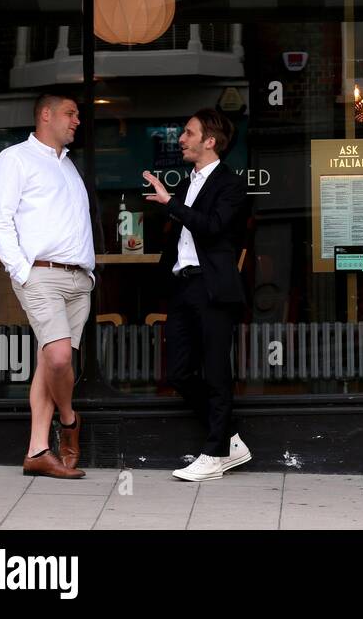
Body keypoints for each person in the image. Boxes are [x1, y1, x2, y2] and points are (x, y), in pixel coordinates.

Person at [0, 93, 95, 479]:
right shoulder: (15, 159)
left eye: (78, 115)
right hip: (41, 273)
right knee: (60, 358)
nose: (76, 120)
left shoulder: (69, 168)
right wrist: (22, 271)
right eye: (70, 113)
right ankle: (69, 421)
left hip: (78, 278)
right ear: (45, 116)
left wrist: (90, 271)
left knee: (47, 363)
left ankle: (37, 451)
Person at [142, 108, 251, 482]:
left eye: (188, 133)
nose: (181, 139)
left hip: (213, 287)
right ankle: (230, 438)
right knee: (179, 371)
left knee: (217, 371)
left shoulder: (230, 185)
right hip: (184, 285)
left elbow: (213, 227)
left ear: (210, 141)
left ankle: (215, 452)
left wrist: (172, 204)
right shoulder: (189, 183)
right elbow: (185, 232)